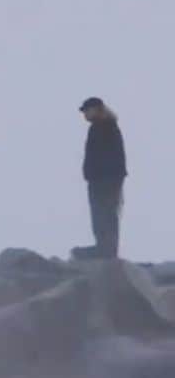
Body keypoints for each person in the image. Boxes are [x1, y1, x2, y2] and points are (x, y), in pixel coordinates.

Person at [80, 98, 126, 260]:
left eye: (87, 110)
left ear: (98, 109)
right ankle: (103, 248)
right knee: (99, 215)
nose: (85, 114)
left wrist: (105, 175)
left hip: (106, 180)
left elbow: (113, 156)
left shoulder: (107, 127)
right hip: (99, 179)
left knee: (106, 214)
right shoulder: (98, 127)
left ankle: (107, 251)